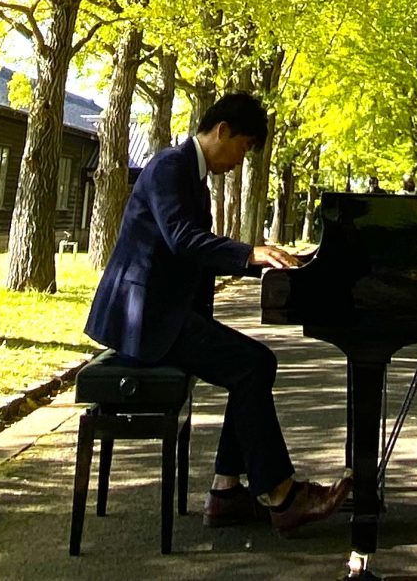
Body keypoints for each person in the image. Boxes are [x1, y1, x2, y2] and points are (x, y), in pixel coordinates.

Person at [85, 93, 348, 535]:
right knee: (253, 364)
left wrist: (273, 265)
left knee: (252, 365)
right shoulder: (169, 167)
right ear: (222, 130)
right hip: (142, 321)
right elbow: (183, 239)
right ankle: (280, 495)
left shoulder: (190, 176)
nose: (242, 159)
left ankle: (226, 493)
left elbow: (197, 256)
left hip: (162, 314)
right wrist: (249, 254)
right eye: (244, 146)